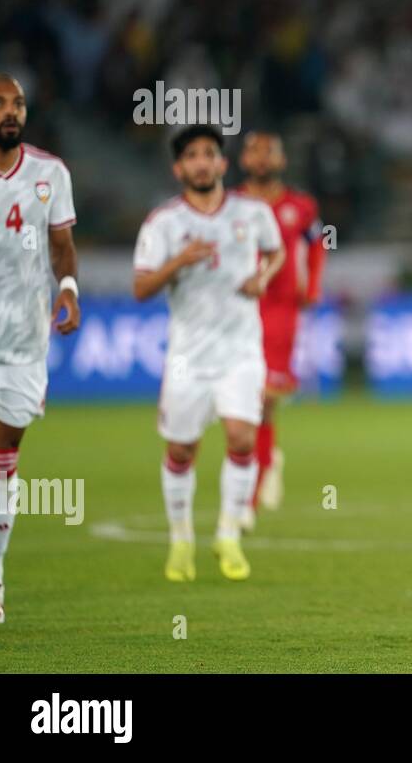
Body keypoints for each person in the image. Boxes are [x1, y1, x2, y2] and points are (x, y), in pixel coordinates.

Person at [133, 125, 284, 581]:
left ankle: (228, 534)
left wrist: (263, 277)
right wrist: (179, 261)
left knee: (241, 437)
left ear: (222, 164)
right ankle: (180, 540)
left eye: (209, 154)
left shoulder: (252, 213)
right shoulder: (164, 223)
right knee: (181, 449)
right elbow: (140, 287)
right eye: (192, 156)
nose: (202, 162)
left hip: (241, 348)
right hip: (187, 355)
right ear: (179, 168)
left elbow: (275, 252)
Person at [0, 74, 80, 624]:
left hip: (23, 336)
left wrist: (68, 290)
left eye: (16, 102)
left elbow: (61, 247)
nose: (9, 111)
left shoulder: (50, 173)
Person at [237, 131, 325, 527]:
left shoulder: (300, 207)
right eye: (254, 151)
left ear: (281, 160)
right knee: (244, 399)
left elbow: (317, 243)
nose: (261, 158)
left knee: (265, 397)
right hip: (239, 307)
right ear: (243, 160)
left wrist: (314, 284)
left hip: (282, 307)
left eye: (269, 151)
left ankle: (250, 497)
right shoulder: (232, 204)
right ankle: (265, 461)